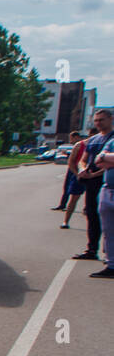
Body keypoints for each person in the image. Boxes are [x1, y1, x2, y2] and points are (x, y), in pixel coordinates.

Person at [73, 109, 113, 262]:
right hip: (91, 182)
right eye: (96, 121)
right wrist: (83, 169)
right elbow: (83, 159)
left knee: (108, 218)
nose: (98, 123)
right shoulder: (93, 139)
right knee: (91, 214)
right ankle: (91, 249)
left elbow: (109, 163)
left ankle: (108, 253)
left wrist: (95, 174)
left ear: (110, 119)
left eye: (101, 120)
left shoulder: (112, 139)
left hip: (106, 181)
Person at [57, 130, 88, 227]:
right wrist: (77, 173)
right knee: (74, 197)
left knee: (94, 199)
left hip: (94, 176)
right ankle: (66, 221)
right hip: (79, 174)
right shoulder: (80, 145)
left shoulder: (104, 144)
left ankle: (91, 221)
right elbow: (71, 161)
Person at [92, 139, 114, 278]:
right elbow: (97, 161)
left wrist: (105, 157)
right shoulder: (112, 142)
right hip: (108, 190)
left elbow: (102, 159)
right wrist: (103, 157)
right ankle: (111, 265)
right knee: (109, 231)